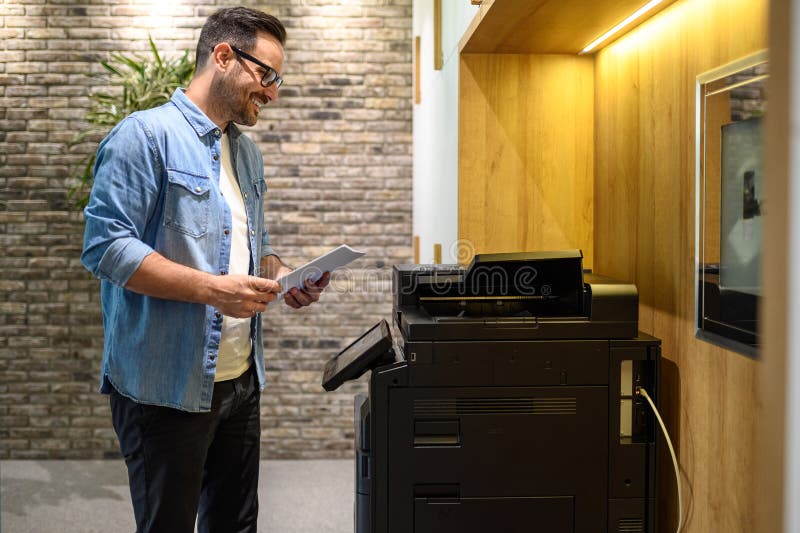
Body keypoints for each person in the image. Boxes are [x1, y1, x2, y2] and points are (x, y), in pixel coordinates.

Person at [80, 7, 329, 532]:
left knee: (235, 523)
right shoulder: (143, 137)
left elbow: (244, 249)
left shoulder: (247, 155)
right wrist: (214, 290)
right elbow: (106, 248)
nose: (273, 93)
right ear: (223, 56)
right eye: (267, 75)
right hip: (165, 388)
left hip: (240, 381)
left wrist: (284, 276)